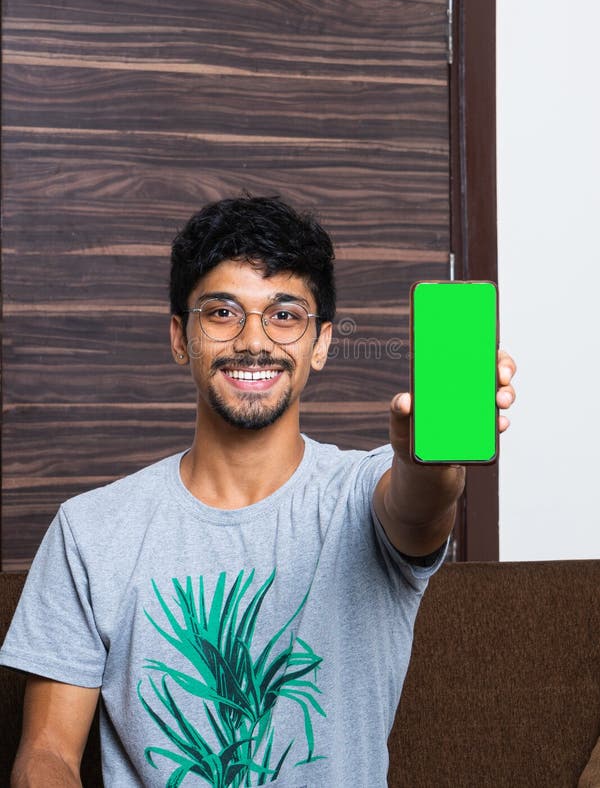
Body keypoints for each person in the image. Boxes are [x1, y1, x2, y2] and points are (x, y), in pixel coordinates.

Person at [0, 195, 516, 787]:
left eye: (285, 314)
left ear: (320, 343)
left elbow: (421, 503)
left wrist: (428, 454)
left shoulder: (360, 491)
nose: (253, 340)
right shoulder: (89, 530)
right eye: (222, 312)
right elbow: (48, 754)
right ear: (179, 337)